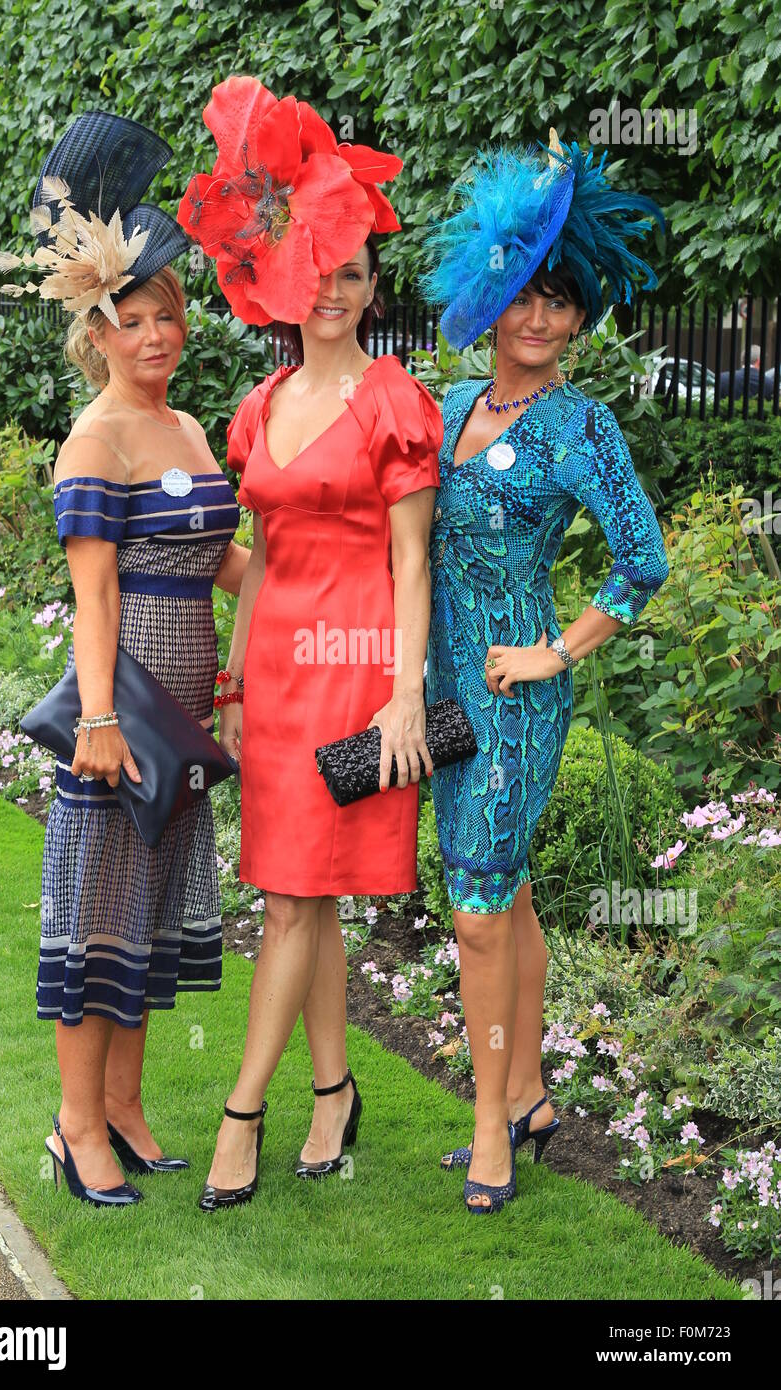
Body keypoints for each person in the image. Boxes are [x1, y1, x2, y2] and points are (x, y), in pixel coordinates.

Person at [178, 75, 443, 1209]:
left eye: (350, 272)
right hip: (278, 674)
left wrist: (401, 696)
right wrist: (233, 680)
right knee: (304, 890)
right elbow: (263, 555)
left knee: (290, 897)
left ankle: (244, 1112)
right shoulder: (257, 404)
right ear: (285, 281)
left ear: (370, 285)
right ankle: (334, 1092)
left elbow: (411, 563)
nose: (331, 289)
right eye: (315, 271)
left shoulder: (394, 402)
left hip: (354, 678)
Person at [0, 111, 248, 1206]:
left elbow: (225, 562)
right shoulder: (94, 441)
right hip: (126, 707)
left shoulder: (191, 428)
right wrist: (96, 719)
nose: (155, 337)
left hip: (187, 707)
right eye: (132, 322)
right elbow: (90, 597)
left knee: (145, 920)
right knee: (95, 916)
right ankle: (74, 1127)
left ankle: (130, 1111)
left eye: (166, 318)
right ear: (95, 333)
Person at [419, 130, 669, 1213]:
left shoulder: (579, 423)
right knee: (503, 893)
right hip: (437, 685)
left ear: (579, 316)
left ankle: (487, 1126)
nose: (537, 318)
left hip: (516, 692)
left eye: (560, 302)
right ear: (493, 287)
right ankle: (521, 1092)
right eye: (524, 293)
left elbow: (640, 561)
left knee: (474, 906)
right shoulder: (439, 411)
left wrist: (556, 648)